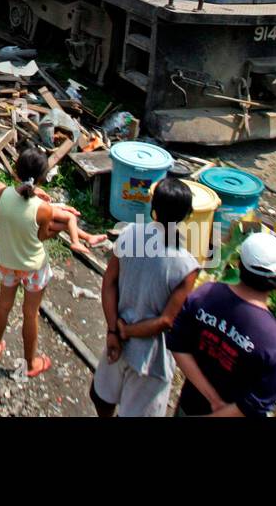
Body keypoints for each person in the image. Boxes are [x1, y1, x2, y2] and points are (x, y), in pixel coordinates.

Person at [0, 148, 106, 378]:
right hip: (33, 268)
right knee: (30, 314)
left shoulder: (3, 194)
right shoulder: (43, 209)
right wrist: (60, 223)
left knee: (3, 307)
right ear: (41, 178)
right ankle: (30, 364)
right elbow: (42, 236)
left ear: (15, 170)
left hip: (8, 263)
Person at [92, 178, 200, 417]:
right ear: (187, 215)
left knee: (101, 396)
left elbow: (109, 282)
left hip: (116, 338)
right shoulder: (186, 266)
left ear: (154, 207)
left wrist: (113, 330)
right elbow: (166, 321)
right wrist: (126, 332)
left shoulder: (129, 234)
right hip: (149, 358)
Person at [166, 231, 276, 417]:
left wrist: (212, 398)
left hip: (190, 406)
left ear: (239, 264)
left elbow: (177, 344)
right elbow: (255, 405)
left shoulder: (205, 295)